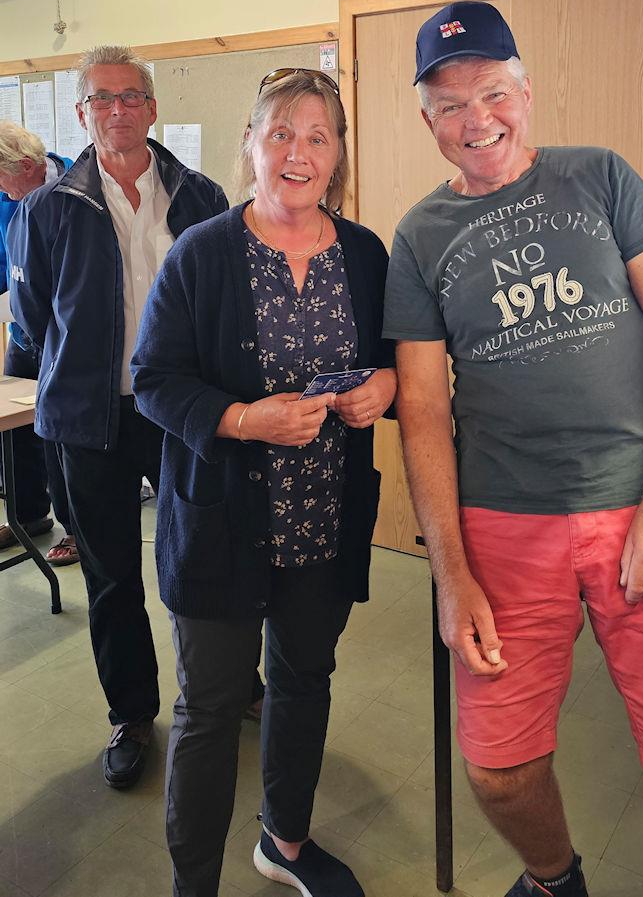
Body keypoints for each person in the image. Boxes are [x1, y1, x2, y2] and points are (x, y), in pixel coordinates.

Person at [382, 1, 643, 897]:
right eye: (452, 106)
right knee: (498, 773)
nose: (480, 122)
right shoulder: (419, 237)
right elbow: (425, 411)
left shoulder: (602, 178)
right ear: (427, 122)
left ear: (526, 92)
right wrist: (450, 574)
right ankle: (555, 879)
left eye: (495, 93)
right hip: (504, 525)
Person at [131, 68, 396, 897]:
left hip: (322, 522)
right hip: (219, 527)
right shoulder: (203, 252)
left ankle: (284, 840)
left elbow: (394, 361)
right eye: (280, 132)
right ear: (249, 144)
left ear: (338, 155)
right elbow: (152, 379)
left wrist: (382, 388)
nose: (298, 152)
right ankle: (194, 883)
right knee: (210, 711)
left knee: (304, 682)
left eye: (318, 136)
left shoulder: (363, 253)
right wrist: (245, 419)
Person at [8, 44, 229, 789]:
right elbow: (33, 320)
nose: (118, 110)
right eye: (102, 98)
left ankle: (230, 684)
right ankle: (132, 712)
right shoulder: (47, 209)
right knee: (111, 574)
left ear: (152, 107)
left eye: (131, 96)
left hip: (180, 412)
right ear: (82, 112)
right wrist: (64, 383)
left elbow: (224, 304)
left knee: (204, 557)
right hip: (89, 419)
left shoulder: (200, 196)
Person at [0, 121, 77, 565]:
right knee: (17, 437)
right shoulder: (6, 198)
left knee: (58, 438)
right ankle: (28, 517)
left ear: (27, 166)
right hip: (23, 336)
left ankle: (76, 530)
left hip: (65, 340)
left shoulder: (76, 191)